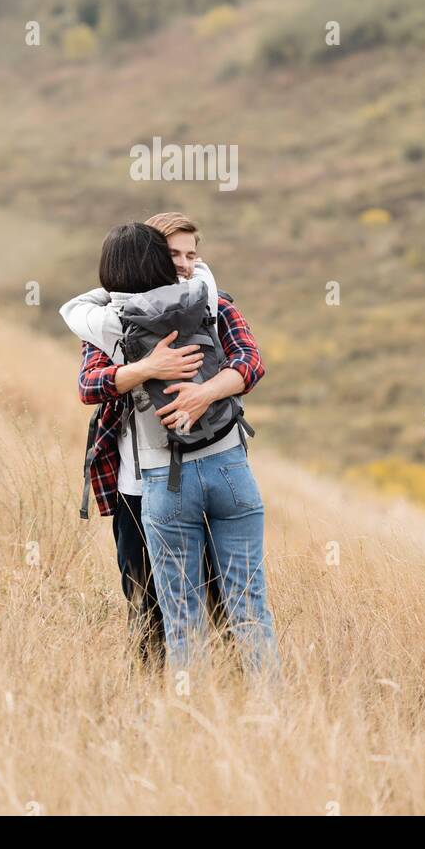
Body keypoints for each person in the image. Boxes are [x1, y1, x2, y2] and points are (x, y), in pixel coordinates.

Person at [60, 217, 278, 676]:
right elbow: (89, 384)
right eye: (172, 255)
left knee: (202, 606)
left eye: (190, 255)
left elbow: (250, 362)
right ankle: (180, 696)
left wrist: (204, 392)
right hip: (149, 484)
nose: (183, 264)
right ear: (154, 260)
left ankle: (202, 697)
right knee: (151, 602)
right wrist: (149, 368)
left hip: (169, 479)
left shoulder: (125, 320)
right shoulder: (141, 313)